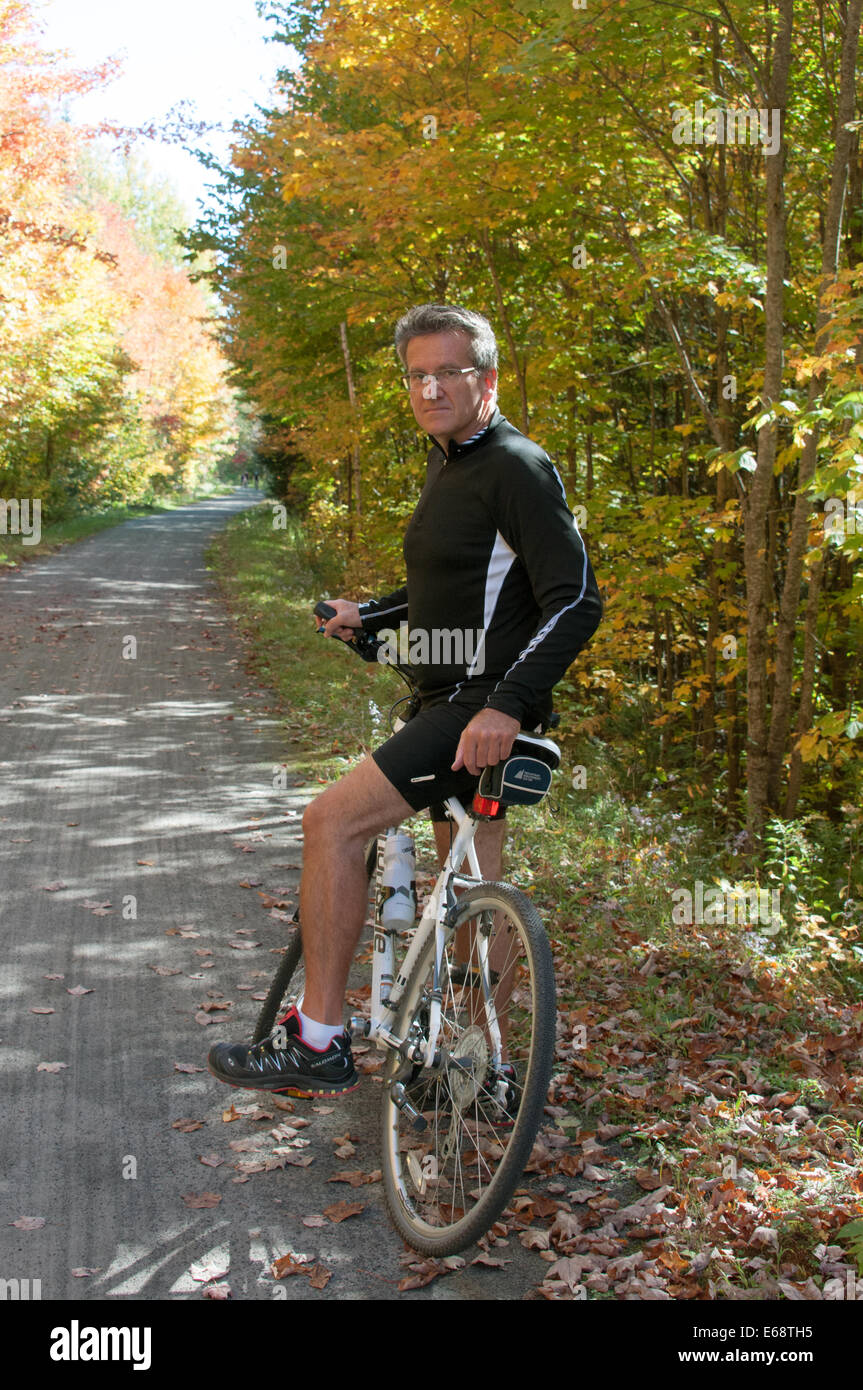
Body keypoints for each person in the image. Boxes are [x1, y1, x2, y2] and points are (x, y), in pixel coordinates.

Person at [208, 304, 602, 1098]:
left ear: (485, 379)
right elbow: (451, 586)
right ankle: (470, 1067)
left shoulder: (514, 465)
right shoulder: (450, 461)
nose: (429, 389)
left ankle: (317, 1042)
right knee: (467, 891)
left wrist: (507, 705)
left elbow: (576, 598)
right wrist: (372, 616)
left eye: (447, 373)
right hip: (454, 703)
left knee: (330, 820)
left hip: (475, 711)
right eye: (416, 375)